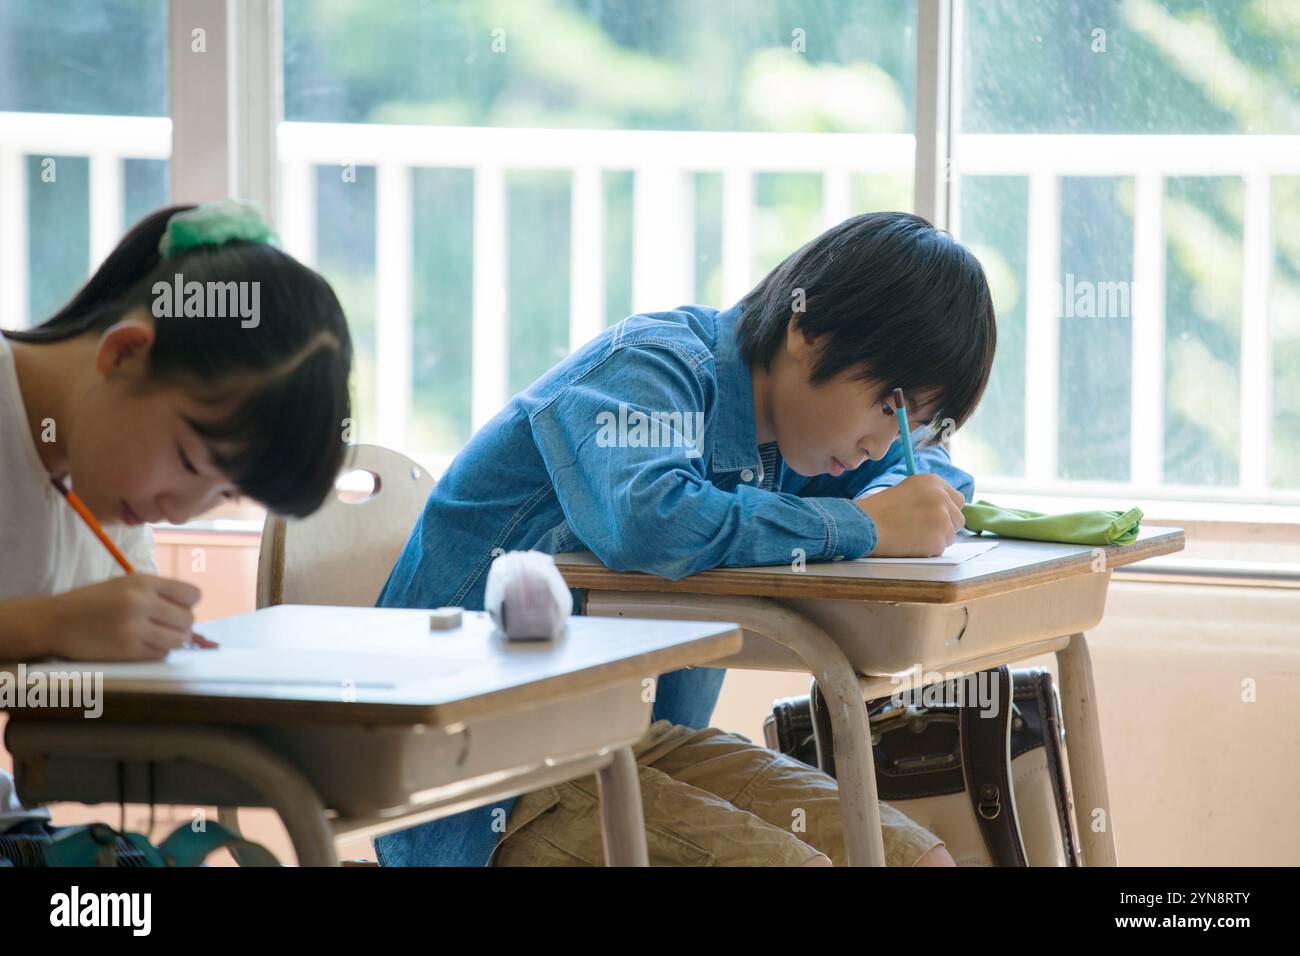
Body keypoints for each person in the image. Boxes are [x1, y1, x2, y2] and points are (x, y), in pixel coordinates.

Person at [374, 211, 997, 866]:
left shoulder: (807, 438)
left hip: (635, 743)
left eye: (917, 424)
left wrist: (891, 502)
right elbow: (652, 519)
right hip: (481, 775)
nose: (884, 441)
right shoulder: (649, 368)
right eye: (888, 409)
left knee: (921, 860)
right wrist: (867, 526)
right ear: (809, 333)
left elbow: (937, 477)